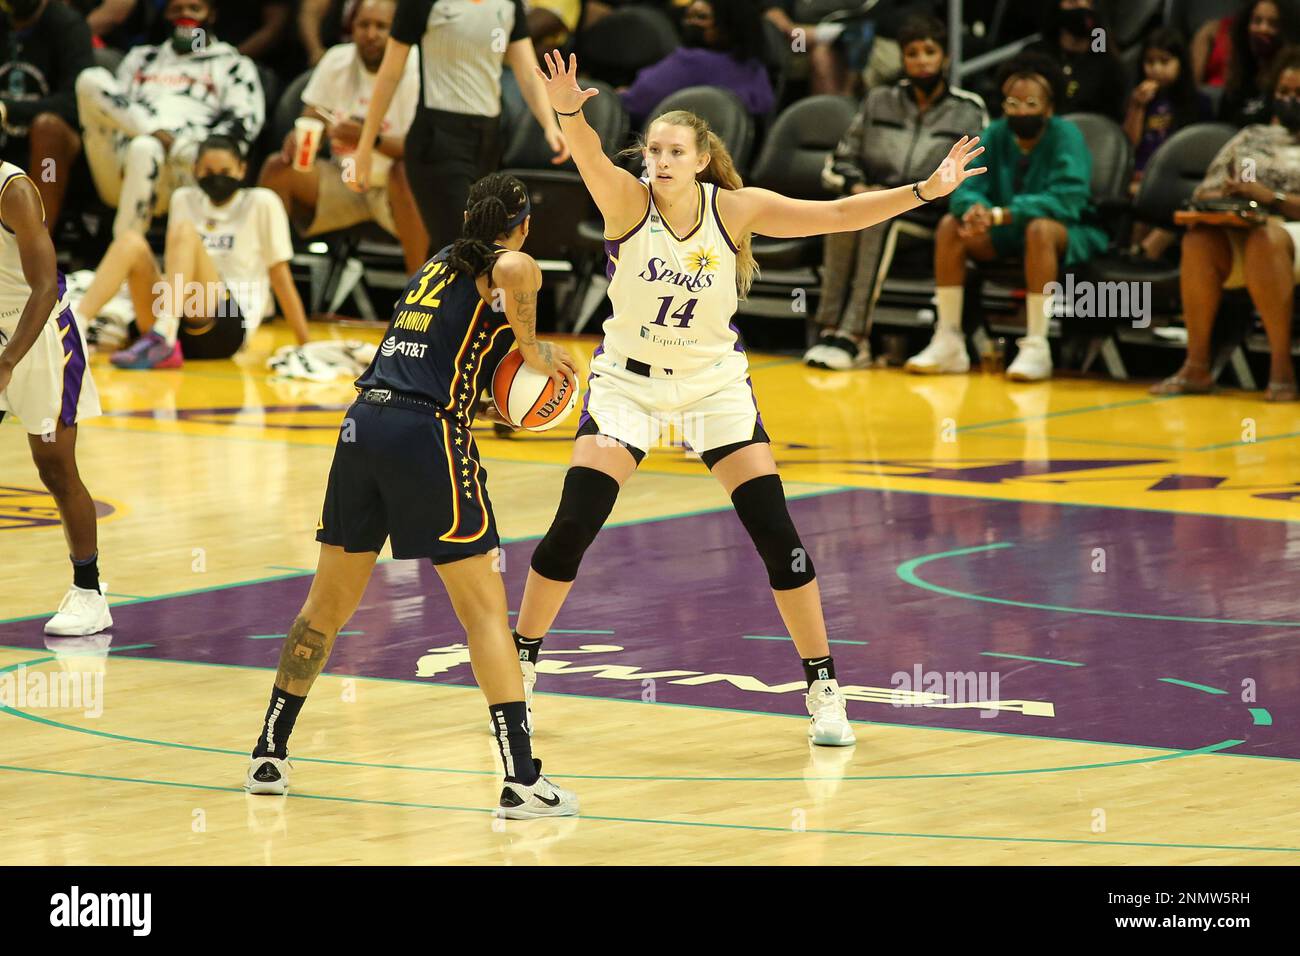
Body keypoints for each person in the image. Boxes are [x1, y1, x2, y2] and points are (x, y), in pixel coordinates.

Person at [513, 50, 984, 746]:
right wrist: (569, 111)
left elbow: (841, 213)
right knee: (574, 524)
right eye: (654, 150)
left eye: (676, 151)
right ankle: (518, 665)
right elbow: (585, 150)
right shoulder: (625, 201)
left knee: (778, 537)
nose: (662, 160)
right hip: (629, 387)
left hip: (713, 386)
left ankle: (823, 684)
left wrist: (922, 191)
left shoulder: (736, 209)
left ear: (702, 159)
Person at [244, 171, 582, 818]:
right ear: (523, 224)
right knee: (484, 612)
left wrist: (494, 396)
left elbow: (445, 361)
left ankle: (270, 749)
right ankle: (521, 778)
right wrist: (534, 349)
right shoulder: (507, 264)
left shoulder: (435, 266)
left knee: (325, 607)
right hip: (426, 434)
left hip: (362, 425)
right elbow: (516, 269)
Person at [903, 53, 1106, 383]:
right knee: (950, 227)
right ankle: (948, 338)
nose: (1022, 111)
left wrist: (1003, 213)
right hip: (1004, 230)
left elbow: (1067, 199)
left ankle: (1037, 344)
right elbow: (965, 186)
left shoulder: (1066, 136)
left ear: (1049, 107)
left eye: (1031, 103)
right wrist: (974, 210)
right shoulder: (995, 134)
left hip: (1067, 232)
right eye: (1013, 103)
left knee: (1039, 229)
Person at [805, 13, 987, 370]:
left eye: (929, 52)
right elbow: (841, 160)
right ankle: (828, 329)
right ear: (903, 59)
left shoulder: (968, 110)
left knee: (875, 221)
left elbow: (974, 171)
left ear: (945, 58)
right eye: (912, 53)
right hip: (873, 198)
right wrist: (859, 187)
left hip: (928, 212)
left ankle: (854, 337)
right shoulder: (878, 101)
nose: (921, 61)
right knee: (848, 210)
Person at [347, 0, 570, 260]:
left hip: (488, 139)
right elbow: (390, 73)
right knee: (465, 248)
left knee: (458, 252)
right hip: (438, 139)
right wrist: (364, 145)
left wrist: (550, 125)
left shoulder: (508, 3)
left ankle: (417, 300)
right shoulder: (423, 4)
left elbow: (528, 72)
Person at [0, 111, 109, 637]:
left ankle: (89, 592)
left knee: (54, 467)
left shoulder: (13, 190)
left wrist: (6, 362)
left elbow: (44, 288)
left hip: (40, 337)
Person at [73, 134, 309, 369]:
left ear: (242, 170)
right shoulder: (184, 198)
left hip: (227, 323)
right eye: (208, 171)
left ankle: (164, 335)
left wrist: (305, 345)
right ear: (195, 170)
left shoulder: (262, 202)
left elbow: (281, 278)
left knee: (185, 231)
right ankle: (74, 331)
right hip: (178, 316)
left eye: (225, 171)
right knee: (130, 241)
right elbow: (175, 268)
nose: (217, 178)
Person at [1151, 47, 1300, 402]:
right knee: (1199, 240)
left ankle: (1281, 369)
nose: (1289, 100)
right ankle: (1197, 365)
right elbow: (1208, 187)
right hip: (1247, 227)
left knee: (1267, 236)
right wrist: (1226, 199)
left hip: (1290, 228)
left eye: (1298, 94)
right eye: (1283, 93)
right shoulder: (1252, 136)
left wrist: (1269, 198)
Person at [258, 0, 427, 274]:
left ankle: (416, 288)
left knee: (404, 173)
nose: (371, 34)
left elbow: (422, 149)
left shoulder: (418, 67)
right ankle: (266, 280)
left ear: (397, 28)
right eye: (363, 25)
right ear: (352, 27)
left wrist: (368, 138)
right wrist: (300, 136)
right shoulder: (336, 59)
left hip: (393, 190)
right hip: (343, 179)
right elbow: (312, 115)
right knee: (277, 169)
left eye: (381, 26)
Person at [74, 0, 265, 237]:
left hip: (189, 169)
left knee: (147, 147)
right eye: (176, 9)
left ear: (211, 15)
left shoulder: (232, 64)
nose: (184, 14)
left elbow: (243, 126)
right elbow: (115, 112)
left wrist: (192, 148)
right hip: (122, 168)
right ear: (164, 16)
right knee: (90, 79)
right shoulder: (142, 58)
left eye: (194, 8)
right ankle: (158, 135)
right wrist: (156, 132)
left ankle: (125, 254)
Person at [0, 0, 94, 235]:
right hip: (5, 143)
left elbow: (76, 103)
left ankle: (38, 242)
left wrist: (7, 109)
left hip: (52, 160)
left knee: (47, 129)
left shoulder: (68, 25)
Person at [1123, 26, 1211, 261]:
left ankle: (1143, 254)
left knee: (1155, 198)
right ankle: (1133, 263)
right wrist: (1137, 107)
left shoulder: (1198, 102)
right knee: (1138, 199)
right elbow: (1130, 145)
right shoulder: (1139, 100)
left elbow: (1195, 154)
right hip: (1139, 177)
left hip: (1178, 183)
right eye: (1150, 62)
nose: (1156, 69)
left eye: (1165, 61)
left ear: (1180, 63)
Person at [619, 0, 776, 125]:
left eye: (701, 17)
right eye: (688, 16)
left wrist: (619, 98)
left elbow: (636, 105)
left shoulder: (692, 61)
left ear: (730, 23)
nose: (690, 22)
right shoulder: (756, 68)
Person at [1026, 0, 1127, 121]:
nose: (1082, 8)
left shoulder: (1108, 65)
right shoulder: (1035, 55)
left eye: (1088, 3)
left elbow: (1113, 122)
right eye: (1072, 2)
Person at [1219, 0, 1300, 126]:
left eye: (1273, 24)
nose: (1263, 29)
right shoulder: (1239, 74)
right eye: (1257, 21)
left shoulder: (1292, 77)